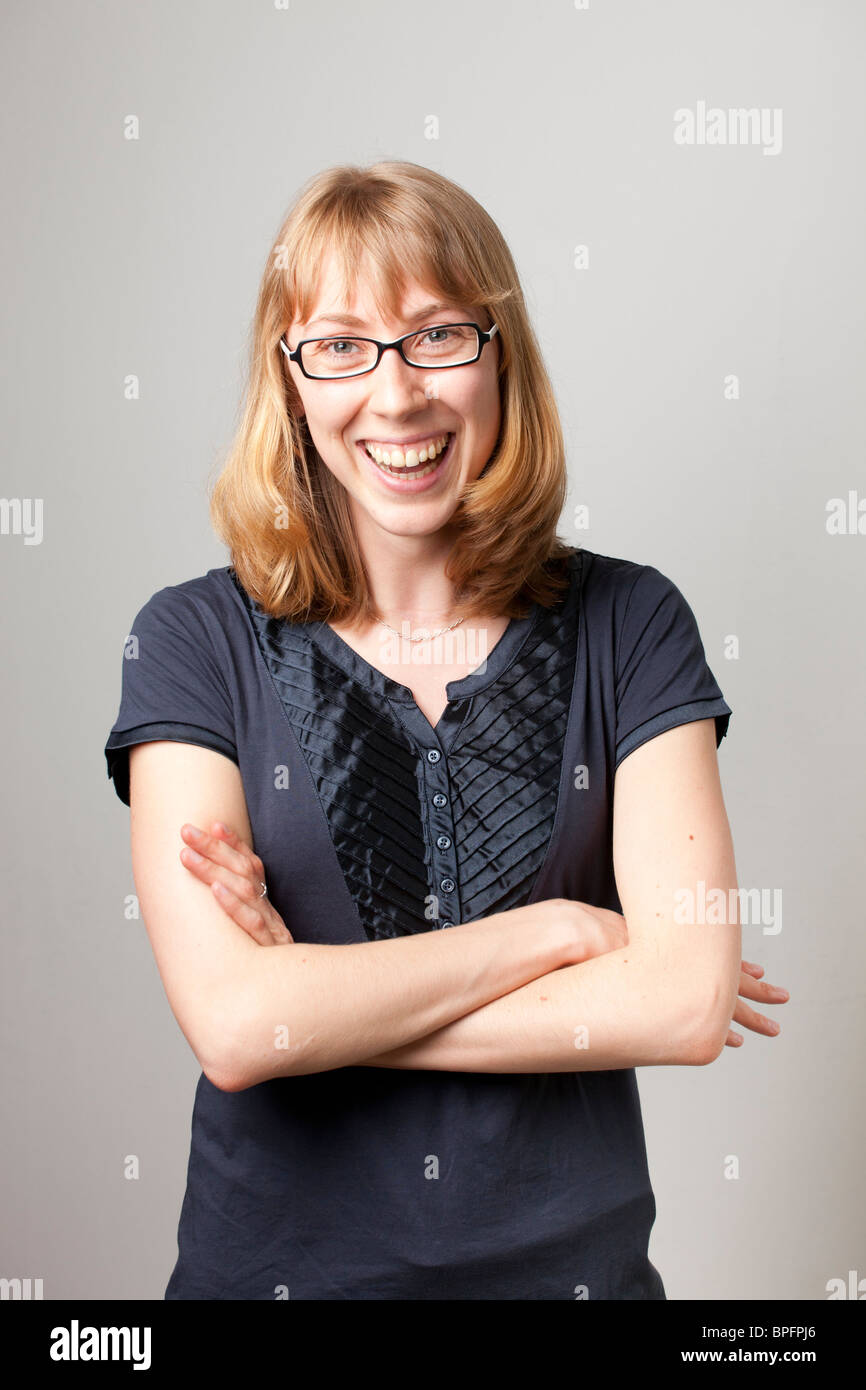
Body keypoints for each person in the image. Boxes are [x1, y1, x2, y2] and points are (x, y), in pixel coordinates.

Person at [103, 160, 788, 1300]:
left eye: (435, 337)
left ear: (498, 352)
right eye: (339, 345)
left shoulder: (632, 622)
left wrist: (311, 1006)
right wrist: (556, 931)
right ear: (291, 381)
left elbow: (679, 1002)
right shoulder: (190, 640)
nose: (395, 393)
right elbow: (232, 1026)